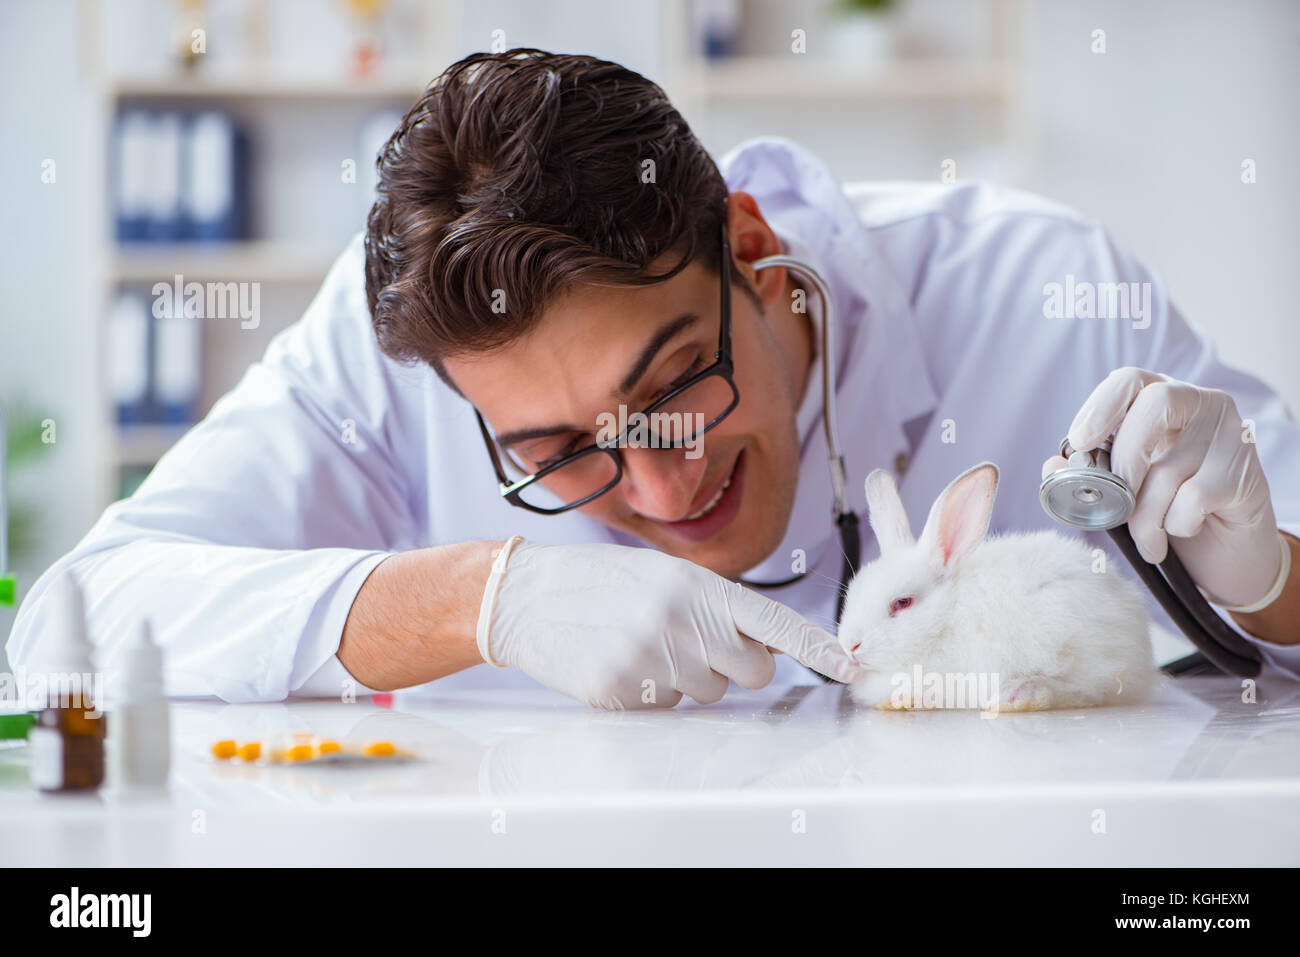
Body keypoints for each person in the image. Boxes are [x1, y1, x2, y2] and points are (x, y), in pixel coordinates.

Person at [8, 49, 1299, 708]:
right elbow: (75, 617)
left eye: (677, 381)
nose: (666, 481)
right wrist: (481, 596)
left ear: (747, 244)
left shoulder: (1034, 288)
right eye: (559, 448)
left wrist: (1272, 578)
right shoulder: (391, 361)